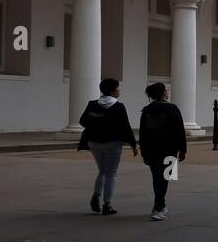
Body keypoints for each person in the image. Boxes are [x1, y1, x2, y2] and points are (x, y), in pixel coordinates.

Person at [78, 78, 137, 216]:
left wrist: (96, 126)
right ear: (112, 90)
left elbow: (82, 121)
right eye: (118, 87)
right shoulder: (118, 106)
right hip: (113, 142)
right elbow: (126, 126)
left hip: (93, 141)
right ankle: (107, 204)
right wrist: (133, 144)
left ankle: (96, 195)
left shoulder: (92, 104)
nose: (119, 90)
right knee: (111, 173)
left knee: (102, 170)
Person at [139, 83, 187, 220]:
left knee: (157, 178)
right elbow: (180, 131)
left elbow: (143, 133)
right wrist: (183, 150)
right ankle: (159, 207)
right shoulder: (173, 109)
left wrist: (143, 151)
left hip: (152, 150)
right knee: (166, 177)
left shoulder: (147, 110)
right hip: (170, 149)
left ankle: (160, 205)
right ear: (163, 93)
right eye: (165, 90)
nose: (167, 91)